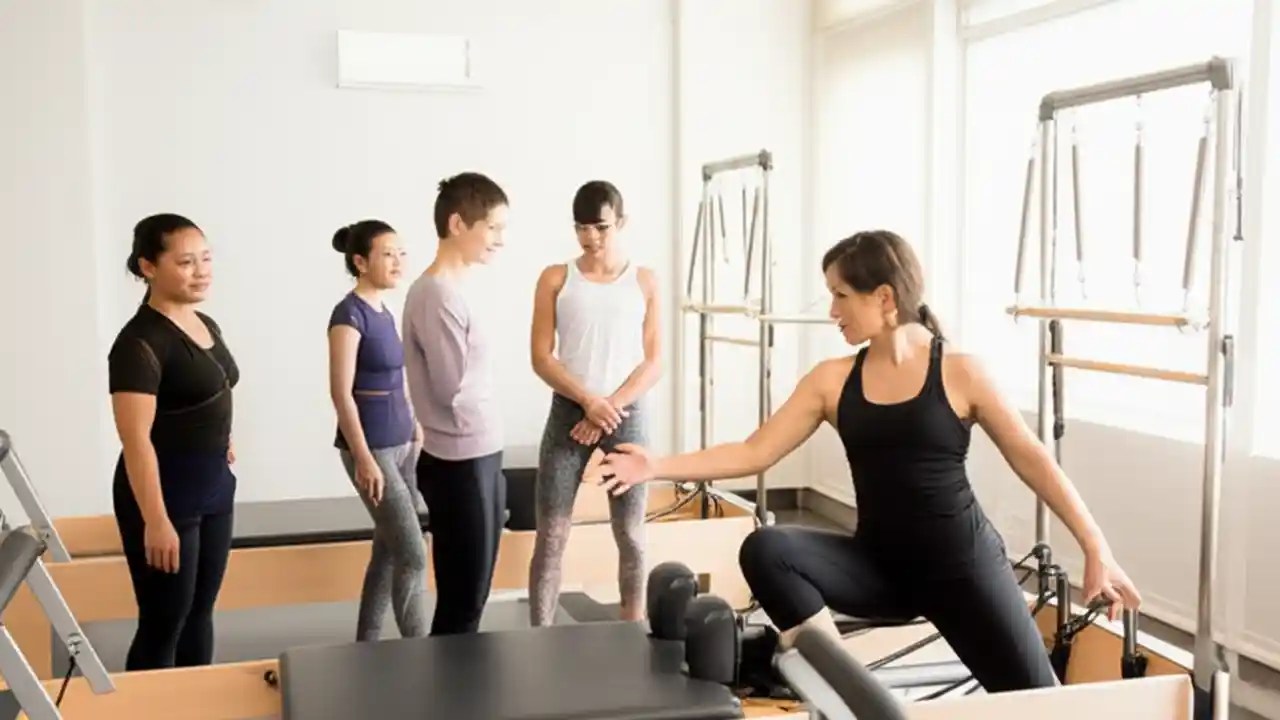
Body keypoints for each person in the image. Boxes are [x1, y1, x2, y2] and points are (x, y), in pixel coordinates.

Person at [590, 229, 1143, 694]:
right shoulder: (833, 380)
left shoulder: (960, 373)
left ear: (883, 297)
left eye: (840, 296)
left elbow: (1033, 459)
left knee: (1036, 705)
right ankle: (842, 685)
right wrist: (654, 466)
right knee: (767, 547)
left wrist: (1097, 549)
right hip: (879, 568)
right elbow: (754, 451)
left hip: (964, 571)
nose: (832, 311)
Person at [107, 213, 239, 670]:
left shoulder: (205, 322)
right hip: (167, 498)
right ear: (148, 267)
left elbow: (211, 389)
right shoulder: (139, 343)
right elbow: (136, 440)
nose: (201, 270)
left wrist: (223, 439)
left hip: (215, 487)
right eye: (185, 262)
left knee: (200, 615)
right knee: (164, 621)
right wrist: (156, 520)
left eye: (205, 258)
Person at [527, 181, 661, 626]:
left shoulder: (644, 280)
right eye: (582, 227)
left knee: (631, 533)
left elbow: (655, 361)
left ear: (620, 223)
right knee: (552, 534)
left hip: (627, 413)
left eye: (600, 226)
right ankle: (540, 634)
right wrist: (587, 402)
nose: (591, 237)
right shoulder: (555, 278)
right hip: (570, 412)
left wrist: (608, 409)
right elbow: (541, 357)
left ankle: (633, 627)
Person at [402, 172, 510, 635]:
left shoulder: (455, 289)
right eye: (493, 228)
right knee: (463, 604)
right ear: (457, 224)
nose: (500, 241)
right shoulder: (436, 295)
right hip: (460, 460)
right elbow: (455, 390)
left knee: (472, 598)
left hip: (478, 453)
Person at [327, 219, 428, 642]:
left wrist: (417, 422)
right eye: (388, 254)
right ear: (360, 262)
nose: (398, 261)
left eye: (400, 253)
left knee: (388, 552)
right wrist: (364, 457)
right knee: (414, 554)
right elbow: (341, 392)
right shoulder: (348, 315)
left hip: (404, 441)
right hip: (373, 450)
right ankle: (419, 651)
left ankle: (366, 642)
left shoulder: (386, 311)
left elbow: (399, 377)